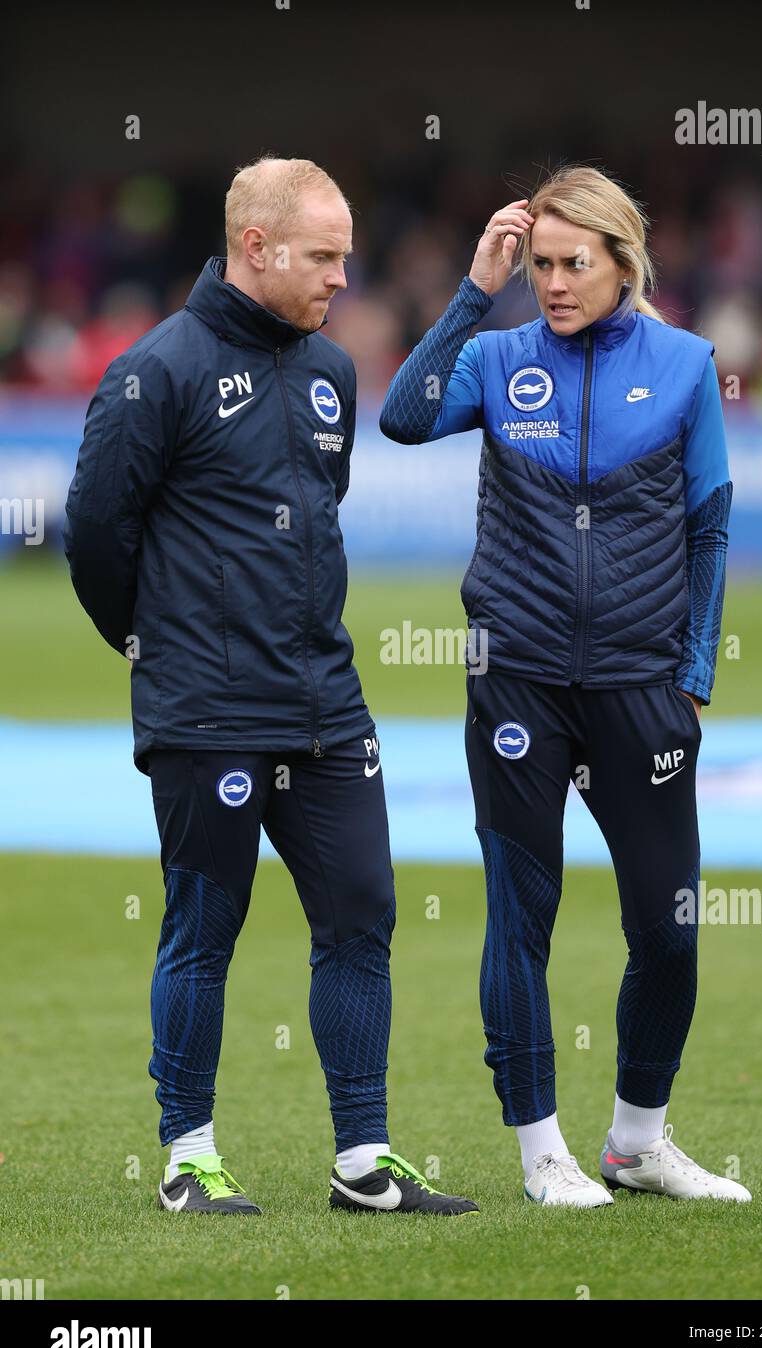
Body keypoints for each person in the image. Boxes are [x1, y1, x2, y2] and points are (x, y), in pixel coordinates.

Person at [64, 156, 477, 1217]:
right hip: (206, 706)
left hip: (325, 704)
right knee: (205, 925)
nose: (346, 276)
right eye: (325, 255)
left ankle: (363, 1161)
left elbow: (315, 517)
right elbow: (99, 540)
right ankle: (187, 1156)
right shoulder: (154, 373)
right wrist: (164, 650)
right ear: (256, 247)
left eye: (347, 254)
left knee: (362, 914)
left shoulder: (332, 371)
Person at [380, 165, 751, 1207]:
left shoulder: (683, 367)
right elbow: (403, 419)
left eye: (569, 264)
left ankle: (635, 1139)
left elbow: (708, 527)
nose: (549, 282)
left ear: (621, 263)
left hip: (641, 688)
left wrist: (689, 682)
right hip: (518, 687)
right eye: (537, 264)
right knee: (518, 921)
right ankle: (540, 1149)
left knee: (667, 928)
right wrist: (470, 290)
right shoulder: (498, 357)